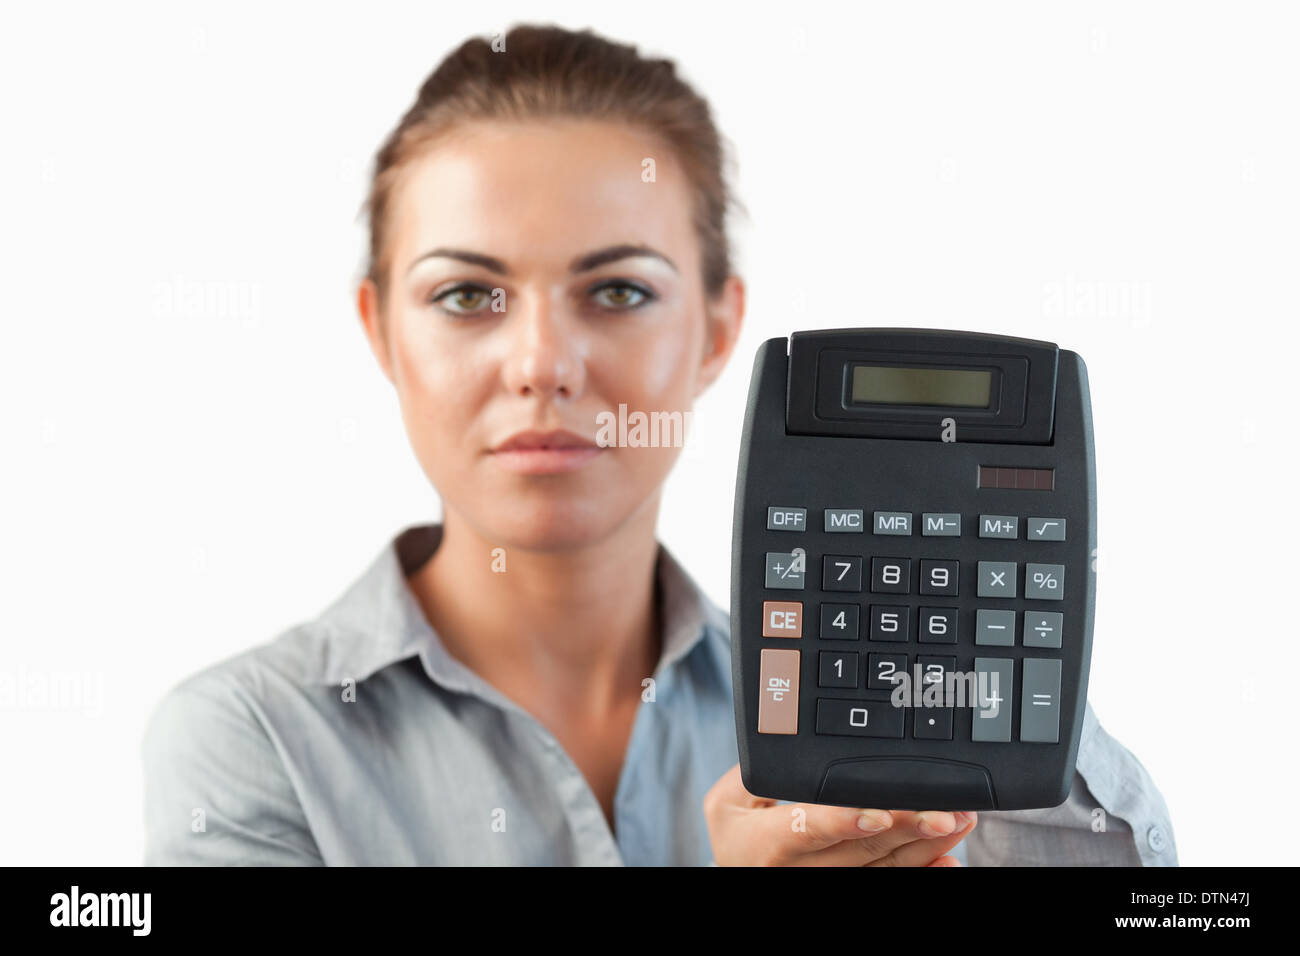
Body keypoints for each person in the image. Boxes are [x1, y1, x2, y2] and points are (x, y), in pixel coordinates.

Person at [141, 23, 1178, 866]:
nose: (543, 361)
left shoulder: (885, 722)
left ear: (718, 330)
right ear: (380, 331)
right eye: (467, 294)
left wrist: (979, 646)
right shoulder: (252, 737)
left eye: (619, 290)